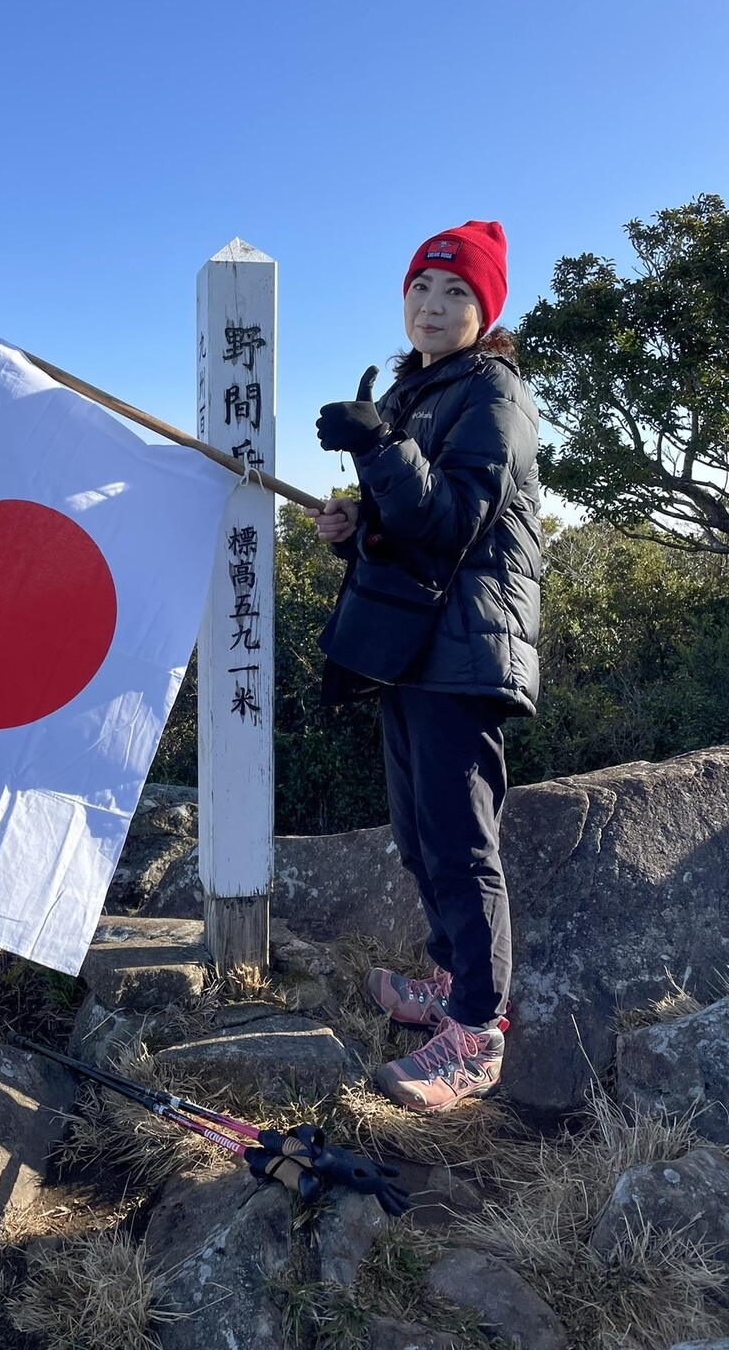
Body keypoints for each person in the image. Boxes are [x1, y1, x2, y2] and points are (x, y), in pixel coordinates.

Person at [309, 220, 540, 1114]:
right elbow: (403, 529)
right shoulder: (423, 389)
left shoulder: (494, 396)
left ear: (486, 312)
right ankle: (450, 982)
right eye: (421, 290)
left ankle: (476, 1035)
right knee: (417, 834)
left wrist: (377, 446)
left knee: (458, 843)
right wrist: (350, 529)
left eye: (456, 295)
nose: (434, 307)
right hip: (415, 642)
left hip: (463, 649)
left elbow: (451, 521)